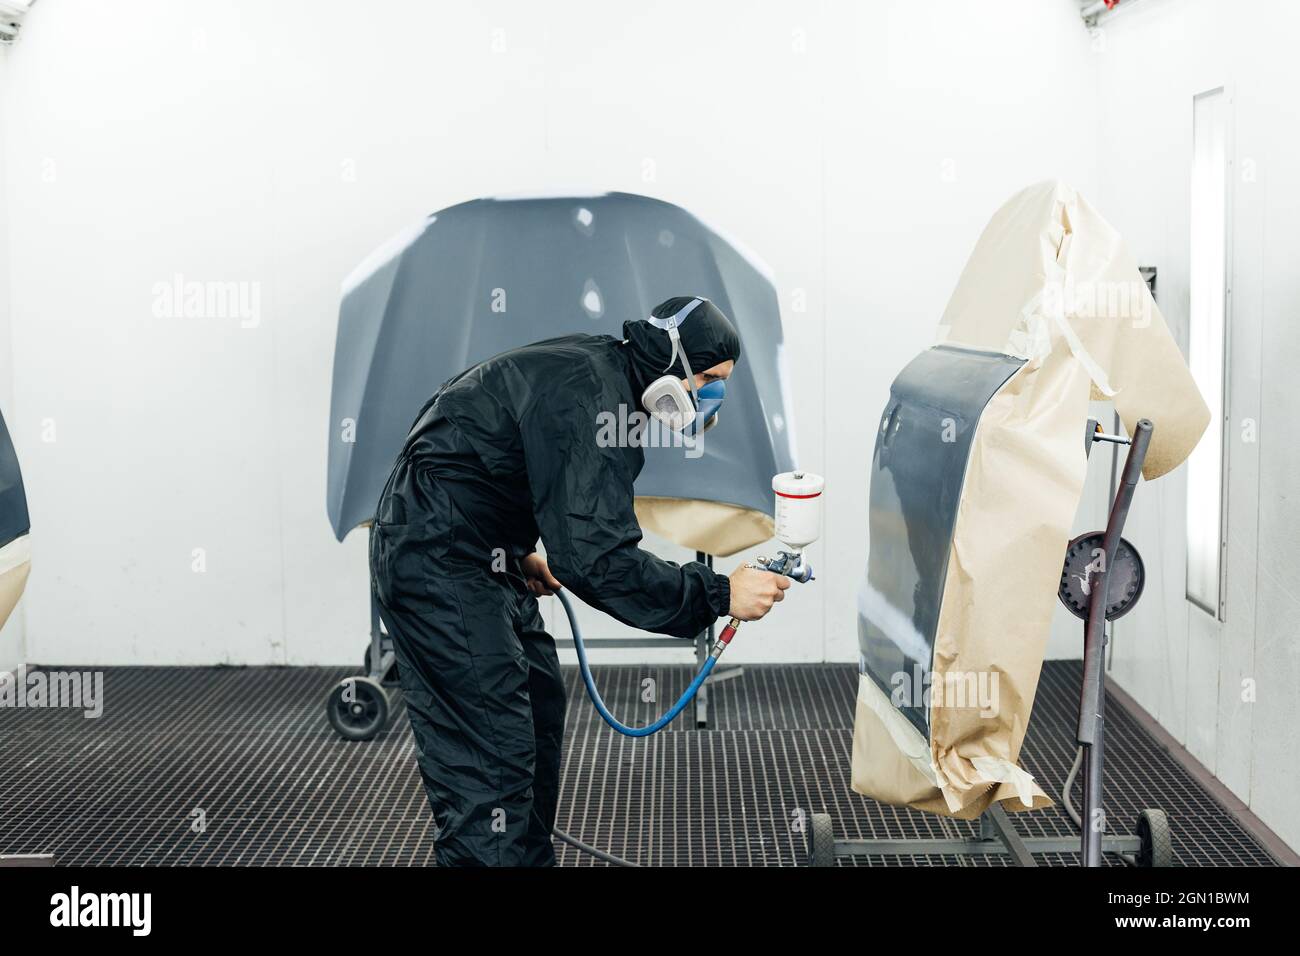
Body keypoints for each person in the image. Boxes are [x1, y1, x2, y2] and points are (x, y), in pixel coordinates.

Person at [369, 295, 790, 866]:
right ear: (672, 359)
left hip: (479, 552)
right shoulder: (593, 397)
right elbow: (598, 560)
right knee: (491, 753)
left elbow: (496, 454)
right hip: (437, 559)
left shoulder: (608, 371)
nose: (712, 395)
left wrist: (515, 550)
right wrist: (718, 594)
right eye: (709, 378)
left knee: (538, 701)